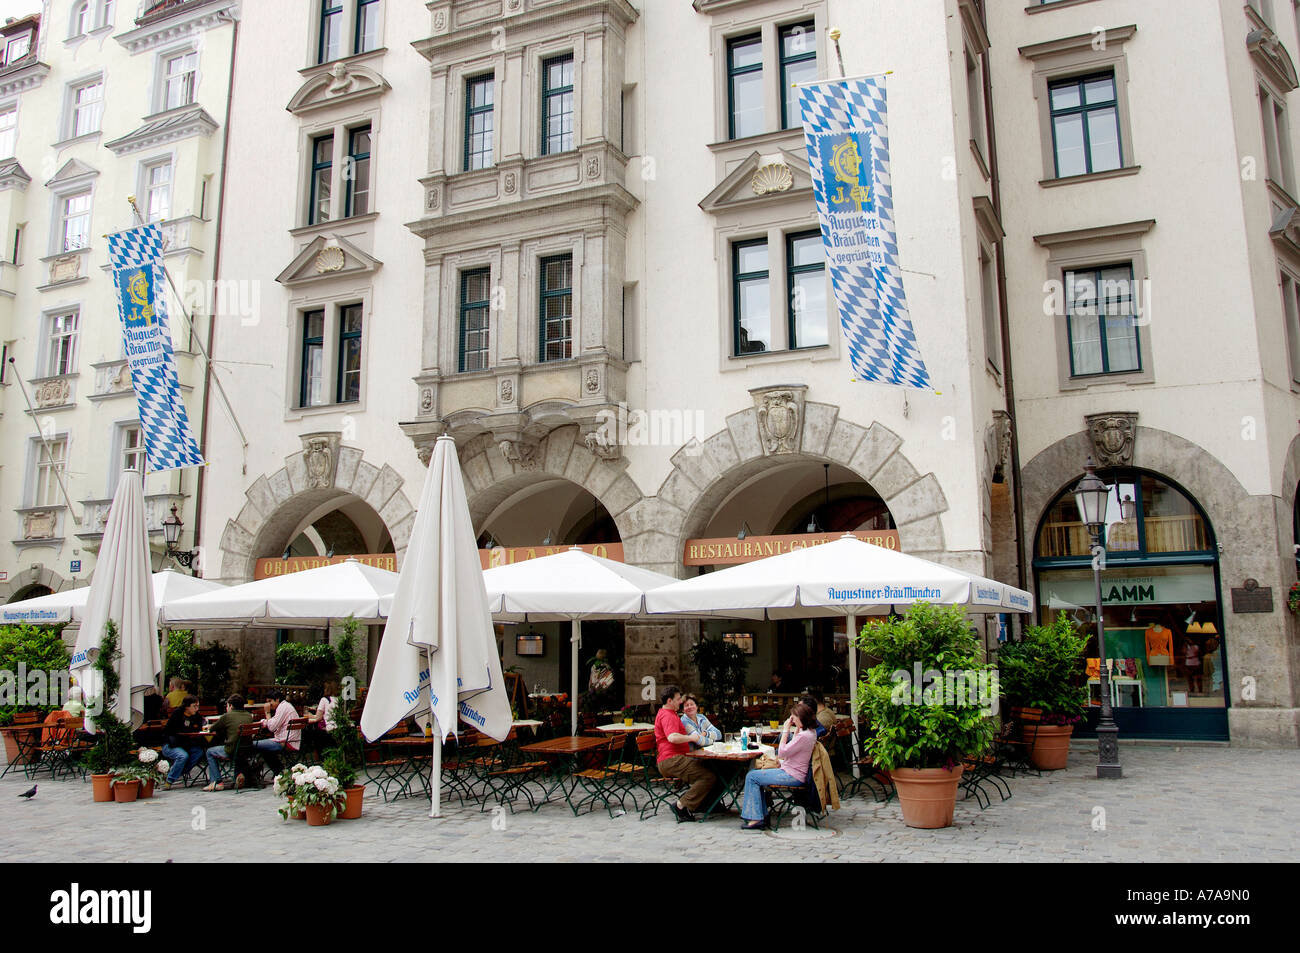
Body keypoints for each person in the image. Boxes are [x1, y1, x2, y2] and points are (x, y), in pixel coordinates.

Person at [739, 701, 818, 831]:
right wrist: (797, 728)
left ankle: (756, 819)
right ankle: (761, 815)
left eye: (794, 718)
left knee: (752, 776)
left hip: (792, 775)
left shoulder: (804, 736)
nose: (792, 720)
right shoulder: (810, 732)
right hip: (794, 771)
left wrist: (786, 730)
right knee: (755, 774)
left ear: (801, 718)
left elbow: (782, 752)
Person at [653, 685, 720, 823]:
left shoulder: (669, 714)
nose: (680, 702)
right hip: (671, 760)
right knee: (707, 777)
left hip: (676, 758)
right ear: (670, 701)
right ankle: (681, 805)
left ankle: (706, 803)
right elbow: (672, 737)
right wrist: (691, 738)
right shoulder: (668, 716)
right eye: (678, 699)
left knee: (717, 769)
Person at [203, 694, 254, 791]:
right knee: (239, 751)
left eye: (227, 706)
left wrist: (209, 727)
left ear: (230, 706)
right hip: (247, 749)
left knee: (210, 752)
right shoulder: (249, 716)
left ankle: (217, 782)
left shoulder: (227, 716)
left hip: (232, 750)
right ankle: (238, 776)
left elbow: (213, 728)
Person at [161, 696, 206, 788]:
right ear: (186, 706)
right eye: (194, 706)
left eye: (198, 706)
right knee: (183, 756)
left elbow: (199, 728)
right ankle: (169, 781)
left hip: (187, 744)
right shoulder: (178, 714)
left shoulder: (196, 716)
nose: (197, 709)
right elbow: (173, 732)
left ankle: (177, 772)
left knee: (199, 752)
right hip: (172, 745)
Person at [254, 689, 301, 775]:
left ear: (277, 699)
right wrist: (265, 722)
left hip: (286, 742)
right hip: (290, 740)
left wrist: (267, 713)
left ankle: (278, 772)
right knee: (264, 748)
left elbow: (272, 727)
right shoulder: (285, 706)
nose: (268, 704)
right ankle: (279, 772)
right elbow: (275, 721)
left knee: (254, 744)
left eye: (270, 701)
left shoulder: (282, 707)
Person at [304, 679, 340, 753]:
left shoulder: (324, 700)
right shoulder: (339, 700)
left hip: (329, 729)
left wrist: (309, 717)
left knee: (310, 733)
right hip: (338, 728)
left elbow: (318, 718)